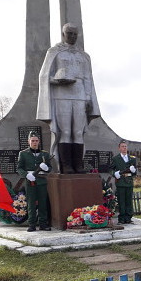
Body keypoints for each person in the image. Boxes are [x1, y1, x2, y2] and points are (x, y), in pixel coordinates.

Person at [36, 22, 101, 174]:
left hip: (80, 96)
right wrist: (58, 81)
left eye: (74, 34)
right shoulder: (54, 52)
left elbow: (88, 79)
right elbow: (44, 76)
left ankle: (78, 165)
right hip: (61, 96)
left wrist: (88, 99)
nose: (72, 37)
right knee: (64, 131)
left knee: (78, 132)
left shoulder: (83, 56)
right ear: (63, 34)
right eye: (69, 33)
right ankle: (66, 166)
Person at [17, 131, 53, 231]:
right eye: (33, 141)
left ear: (39, 141)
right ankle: (31, 224)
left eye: (36, 141)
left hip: (42, 181)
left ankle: (43, 224)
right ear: (29, 141)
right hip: (30, 181)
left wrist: (46, 168)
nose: (35, 143)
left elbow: (50, 168)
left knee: (43, 203)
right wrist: (26, 175)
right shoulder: (23, 154)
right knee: (31, 203)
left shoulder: (44, 154)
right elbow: (19, 168)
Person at [110, 140, 137, 224]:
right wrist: (115, 174)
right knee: (121, 201)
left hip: (129, 182)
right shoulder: (115, 158)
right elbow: (110, 169)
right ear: (119, 148)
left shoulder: (132, 159)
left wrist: (133, 170)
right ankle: (121, 218)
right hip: (121, 182)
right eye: (122, 146)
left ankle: (128, 217)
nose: (124, 148)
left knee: (129, 200)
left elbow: (135, 172)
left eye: (125, 146)